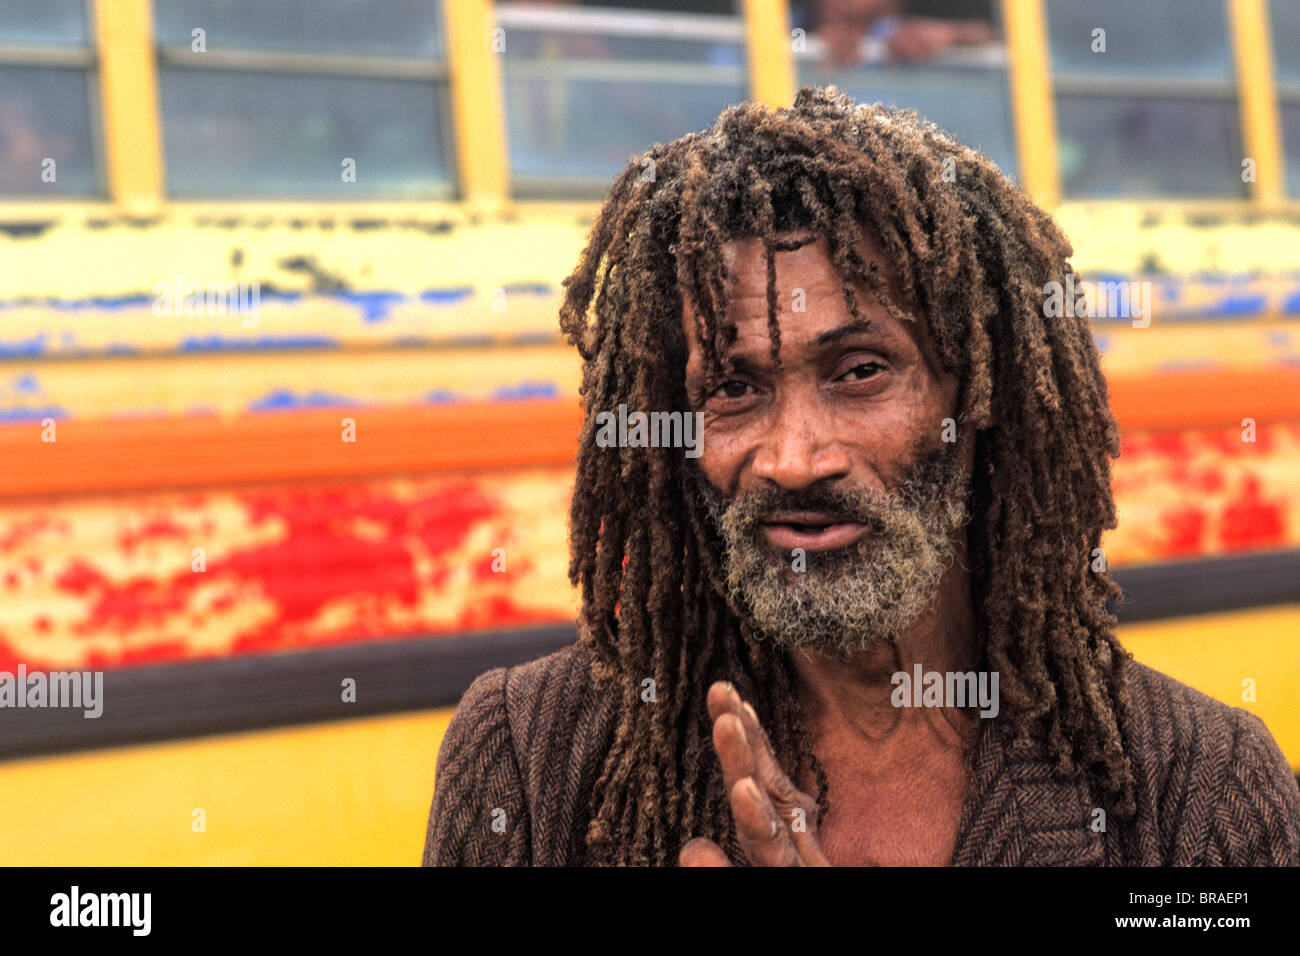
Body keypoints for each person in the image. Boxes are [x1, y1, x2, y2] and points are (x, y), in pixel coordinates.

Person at [423, 87, 1300, 866]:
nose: (795, 458)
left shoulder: (1198, 796)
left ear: (977, 392)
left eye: (860, 372)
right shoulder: (533, 763)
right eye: (732, 389)